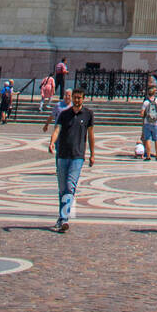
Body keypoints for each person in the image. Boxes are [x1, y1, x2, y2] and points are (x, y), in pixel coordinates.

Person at [49, 87, 95, 233]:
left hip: (77, 155)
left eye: (78, 98)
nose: (76, 100)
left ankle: (64, 218)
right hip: (62, 154)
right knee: (62, 189)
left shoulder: (88, 114)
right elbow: (57, 129)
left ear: (83, 99)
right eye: (74, 97)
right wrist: (52, 142)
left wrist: (93, 153)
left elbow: (91, 135)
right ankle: (61, 217)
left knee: (70, 186)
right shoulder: (64, 114)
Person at [141, 86, 157, 160]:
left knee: (147, 139)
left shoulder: (146, 102)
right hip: (156, 123)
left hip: (147, 122)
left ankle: (148, 156)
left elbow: (142, 114)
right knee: (156, 139)